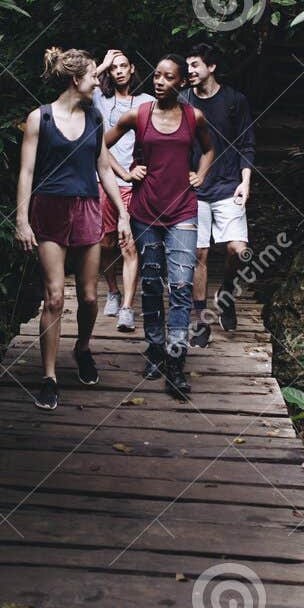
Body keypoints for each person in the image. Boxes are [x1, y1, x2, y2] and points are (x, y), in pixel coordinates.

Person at [14, 48, 132, 410]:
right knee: (53, 297)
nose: (99, 80)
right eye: (94, 77)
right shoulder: (41, 118)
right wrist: (21, 219)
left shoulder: (94, 117)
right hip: (48, 209)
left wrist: (122, 214)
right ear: (75, 81)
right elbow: (27, 172)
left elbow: (103, 169)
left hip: (87, 209)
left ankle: (82, 348)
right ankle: (49, 376)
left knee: (90, 297)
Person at [103, 55, 214, 401]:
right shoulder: (139, 115)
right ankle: (154, 349)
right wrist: (124, 173)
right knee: (151, 283)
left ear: (181, 83)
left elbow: (209, 150)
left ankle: (176, 360)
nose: (159, 81)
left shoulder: (194, 117)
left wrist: (201, 173)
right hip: (146, 211)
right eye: (156, 76)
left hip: (183, 210)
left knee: (180, 285)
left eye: (168, 77)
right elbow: (99, 145)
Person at [182, 41, 256, 347]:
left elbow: (247, 143)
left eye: (195, 65)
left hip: (228, 186)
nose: (190, 71)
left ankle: (226, 290)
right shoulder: (184, 100)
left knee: (237, 250)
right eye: (188, 66)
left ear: (211, 67)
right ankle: (201, 320)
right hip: (196, 190)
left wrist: (245, 181)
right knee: (199, 253)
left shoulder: (234, 101)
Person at [93, 49, 153, 333]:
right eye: (113, 68)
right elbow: (81, 82)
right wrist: (102, 65)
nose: (118, 71)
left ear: (132, 69)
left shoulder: (146, 102)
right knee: (106, 244)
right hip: (103, 181)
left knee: (128, 243)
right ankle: (113, 291)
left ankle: (127, 308)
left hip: (134, 184)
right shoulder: (100, 100)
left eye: (122, 66)